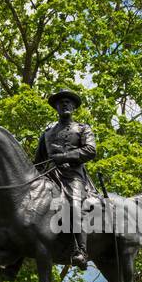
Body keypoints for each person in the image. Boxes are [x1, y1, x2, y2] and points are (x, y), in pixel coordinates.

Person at [35, 88, 96, 269]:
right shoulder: (46, 133)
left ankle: (81, 251)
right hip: (49, 177)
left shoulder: (83, 128)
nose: (64, 104)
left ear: (74, 106)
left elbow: (90, 151)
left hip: (72, 176)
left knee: (74, 205)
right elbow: (38, 163)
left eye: (68, 102)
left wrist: (64, 157)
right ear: (56, 107)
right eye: (61, 102)